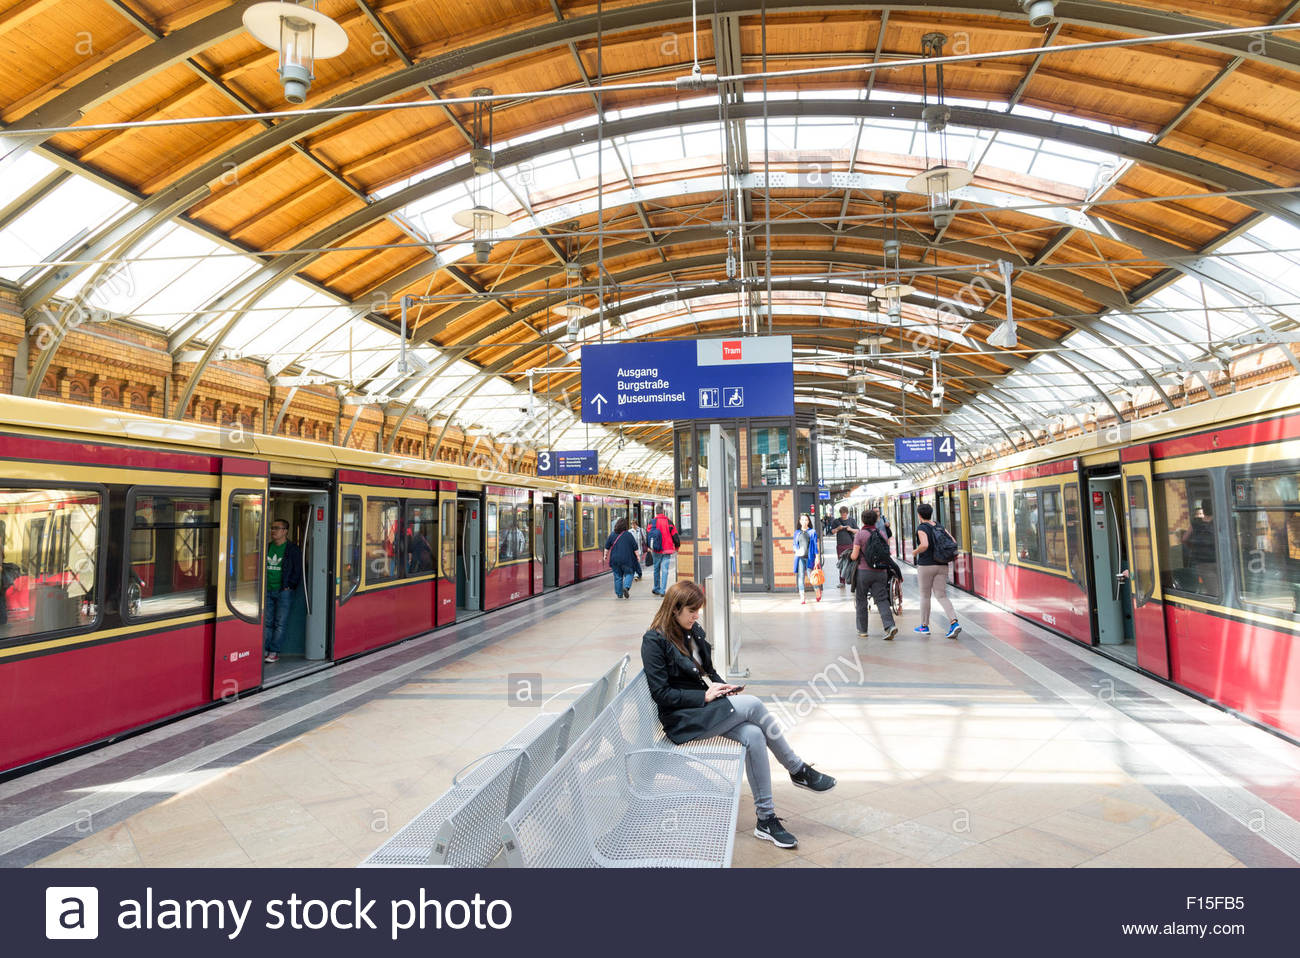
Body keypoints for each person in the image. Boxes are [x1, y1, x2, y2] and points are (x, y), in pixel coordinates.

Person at [641, 581, 836, 849]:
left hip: (705, 709)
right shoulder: (654, 640)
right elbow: (661, 694)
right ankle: (797, 769)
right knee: (754, 705)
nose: (697, 615)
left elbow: (707, 672)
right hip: (683, 719)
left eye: (698, 609)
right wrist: (704, 696)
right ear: (674, 609)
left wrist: (721, 687)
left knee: (754, 735)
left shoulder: (691, 631)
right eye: (692, 610)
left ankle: (766, 819)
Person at [914, 503, 961, 639]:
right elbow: (953, 541)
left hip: (926, 565)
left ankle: (924, 626)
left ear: (919, 515)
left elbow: (924, 545)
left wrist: (916, 551)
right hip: (942, 564)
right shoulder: (939, 526)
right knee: (941, 595)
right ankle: (954, 622)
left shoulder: (922, 528)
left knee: (925, 596)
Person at [850, 508, 897, 640]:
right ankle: (889, 626)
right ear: (876, 520)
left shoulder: (860, 535)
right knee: (882, 599)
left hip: (863, 572)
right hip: (880, 571)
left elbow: (854, 556)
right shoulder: (881, 533)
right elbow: (886, 552)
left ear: (862, 520)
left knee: (861, 600)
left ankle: (863, 630)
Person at [264, 518, 302, 664]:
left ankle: (274, 651)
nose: (273, 531)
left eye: (277, 528)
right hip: (267, 589)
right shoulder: (267, 547)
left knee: (280, 623)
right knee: (267, 622)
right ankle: (265, 649)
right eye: (272, 528)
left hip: (283, 591)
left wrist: (289, 585)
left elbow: (297, 570)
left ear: (285, 531)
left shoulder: (292, 549)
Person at [602, 516, 639, 599]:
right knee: (630, 573)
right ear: (625, 526)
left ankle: (619, 594)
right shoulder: (628, 535)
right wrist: (638, 556)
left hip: (615, 560)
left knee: (618, 576)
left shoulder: (612, 534)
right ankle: (626, 587)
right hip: (626, 559)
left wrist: (605, 556)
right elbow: (635, 547)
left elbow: (607, 547)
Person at [792, 511, 822, 604]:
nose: (804, 521)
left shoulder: (812, 532)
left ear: (808, 521)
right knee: (800, 577)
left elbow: (815, 545)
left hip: (810, 558)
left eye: (806, 520)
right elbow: (794, 545)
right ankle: (802, 597)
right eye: (802, 520)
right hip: (800, 557)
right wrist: (796, 550)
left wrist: (817, 558)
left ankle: (817, 590)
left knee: (811, 576)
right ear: (799, 521)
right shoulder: (797, 532)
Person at [648, 505, 678, 596]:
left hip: (656, 550)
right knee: (665, 570)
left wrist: (649, 547)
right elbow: (675, 534)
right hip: (667, 549)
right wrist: (677, 546)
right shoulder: (669, 522)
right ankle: (663, 590)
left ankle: (656, 588)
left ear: (656, 512)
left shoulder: (652, 522)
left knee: (656, 569)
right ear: (663, 512)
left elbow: (648, 535)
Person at [829, 506, 858, 589]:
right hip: (840, 545)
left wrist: (851, 529)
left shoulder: (852, 520)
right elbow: (832, 531)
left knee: (852, 563)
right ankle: (842, 582)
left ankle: (853, 581)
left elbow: (858, 530)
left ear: (847, 513)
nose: (843, 515)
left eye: (845, 514)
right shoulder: (836, 521)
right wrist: (838, 528)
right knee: (841, 563)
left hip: (850, 545)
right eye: (842, 514)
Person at [628, 516, 647, 582]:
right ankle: (636, 575)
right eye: (631, 524)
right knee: (634, 563)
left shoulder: (641, 530)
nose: (632, 525)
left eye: (633, 524)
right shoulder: (629, 531)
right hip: (632, 551)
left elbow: (645, 539)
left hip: (639, 550)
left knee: (639, 563)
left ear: (636, 524)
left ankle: (639, 573)